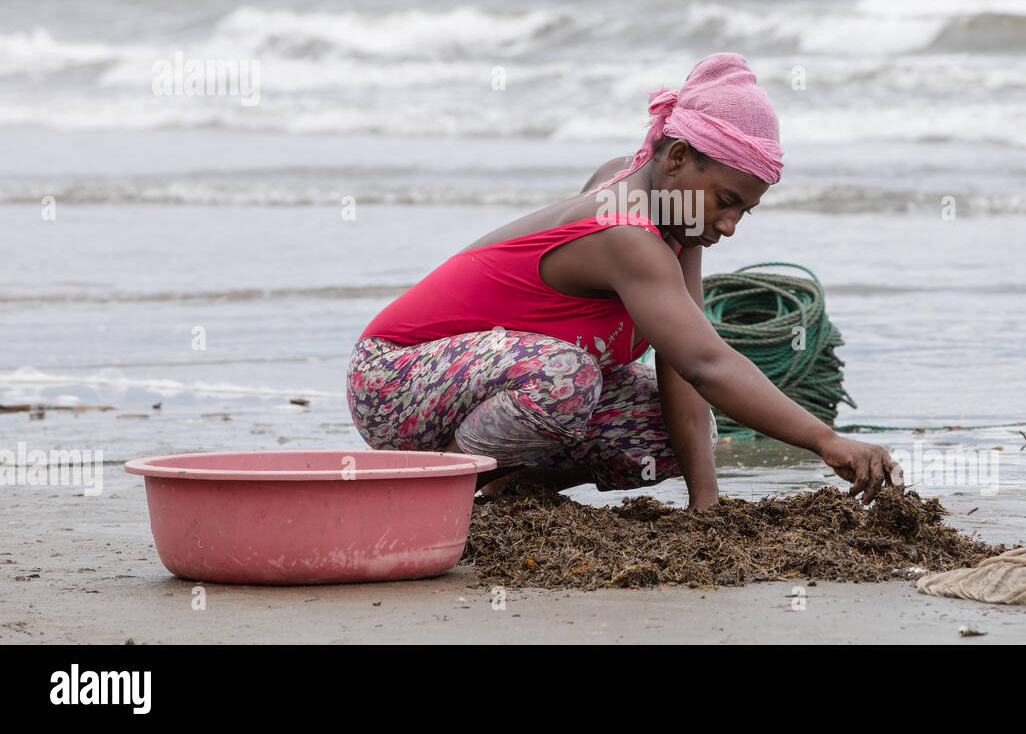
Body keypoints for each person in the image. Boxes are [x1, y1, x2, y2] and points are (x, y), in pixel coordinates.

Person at [346, 52, 900, 510]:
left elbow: (684, 364)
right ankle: (433, 490)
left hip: (487, 388)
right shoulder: (628, 233)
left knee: (677, 435)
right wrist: (825, 441)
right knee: (566, 378)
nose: (730, 227)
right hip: (394, 379)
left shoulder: (665, 210)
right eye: (726, 202)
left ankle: (502, 491)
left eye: (744, 213)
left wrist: (706, 504)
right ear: (678, 158)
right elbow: (710, 364)